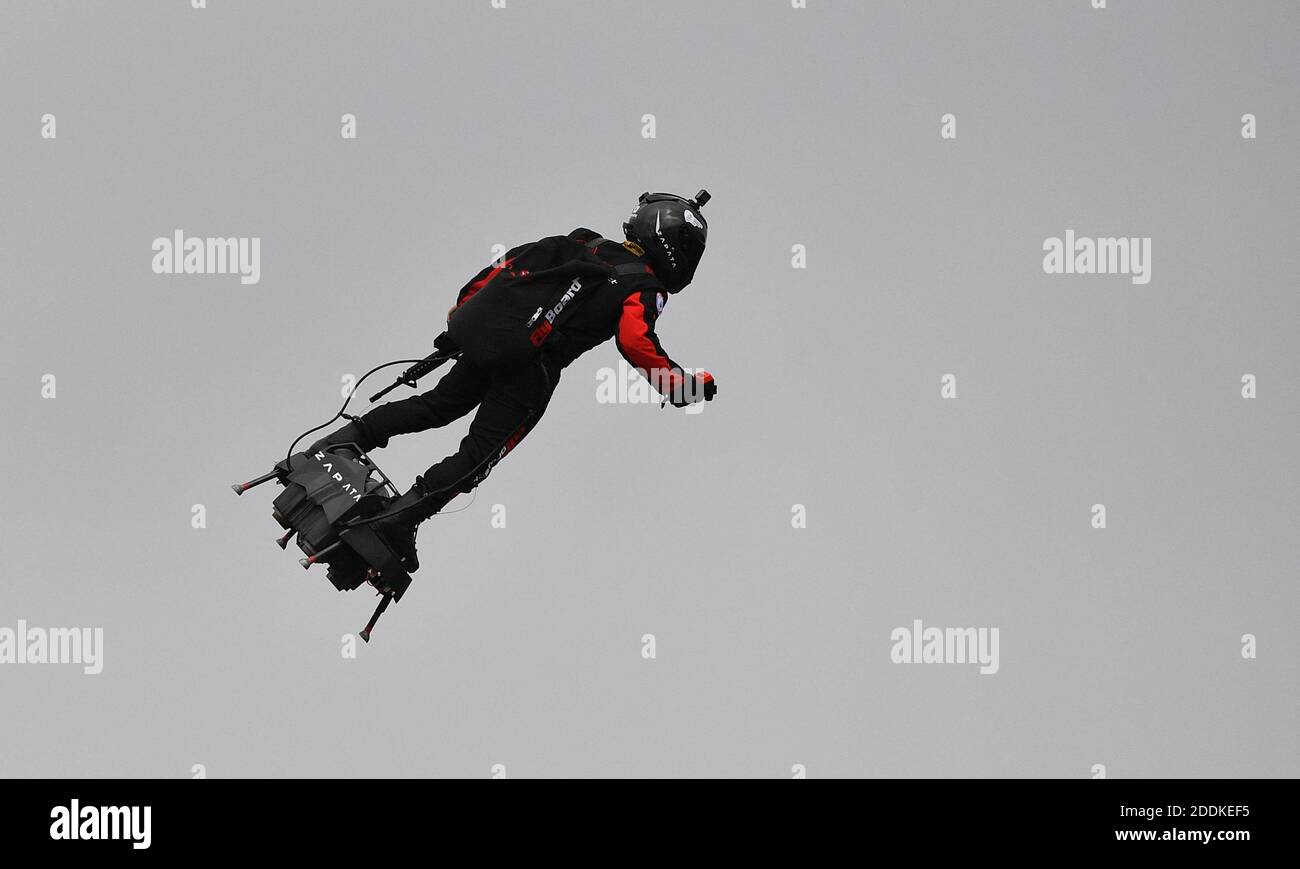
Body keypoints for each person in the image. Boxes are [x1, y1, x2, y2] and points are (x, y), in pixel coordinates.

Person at [309, 190, 718, 579]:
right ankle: (397, 520)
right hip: (530, 375)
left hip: (491, 342)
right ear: (673, 248)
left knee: (435, 406)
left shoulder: (583, 242)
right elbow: (635, 340)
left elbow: (501, 270)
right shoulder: (646, 287)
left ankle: (341, 441)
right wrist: (679, 386)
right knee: (477, 456)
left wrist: (459, 328)